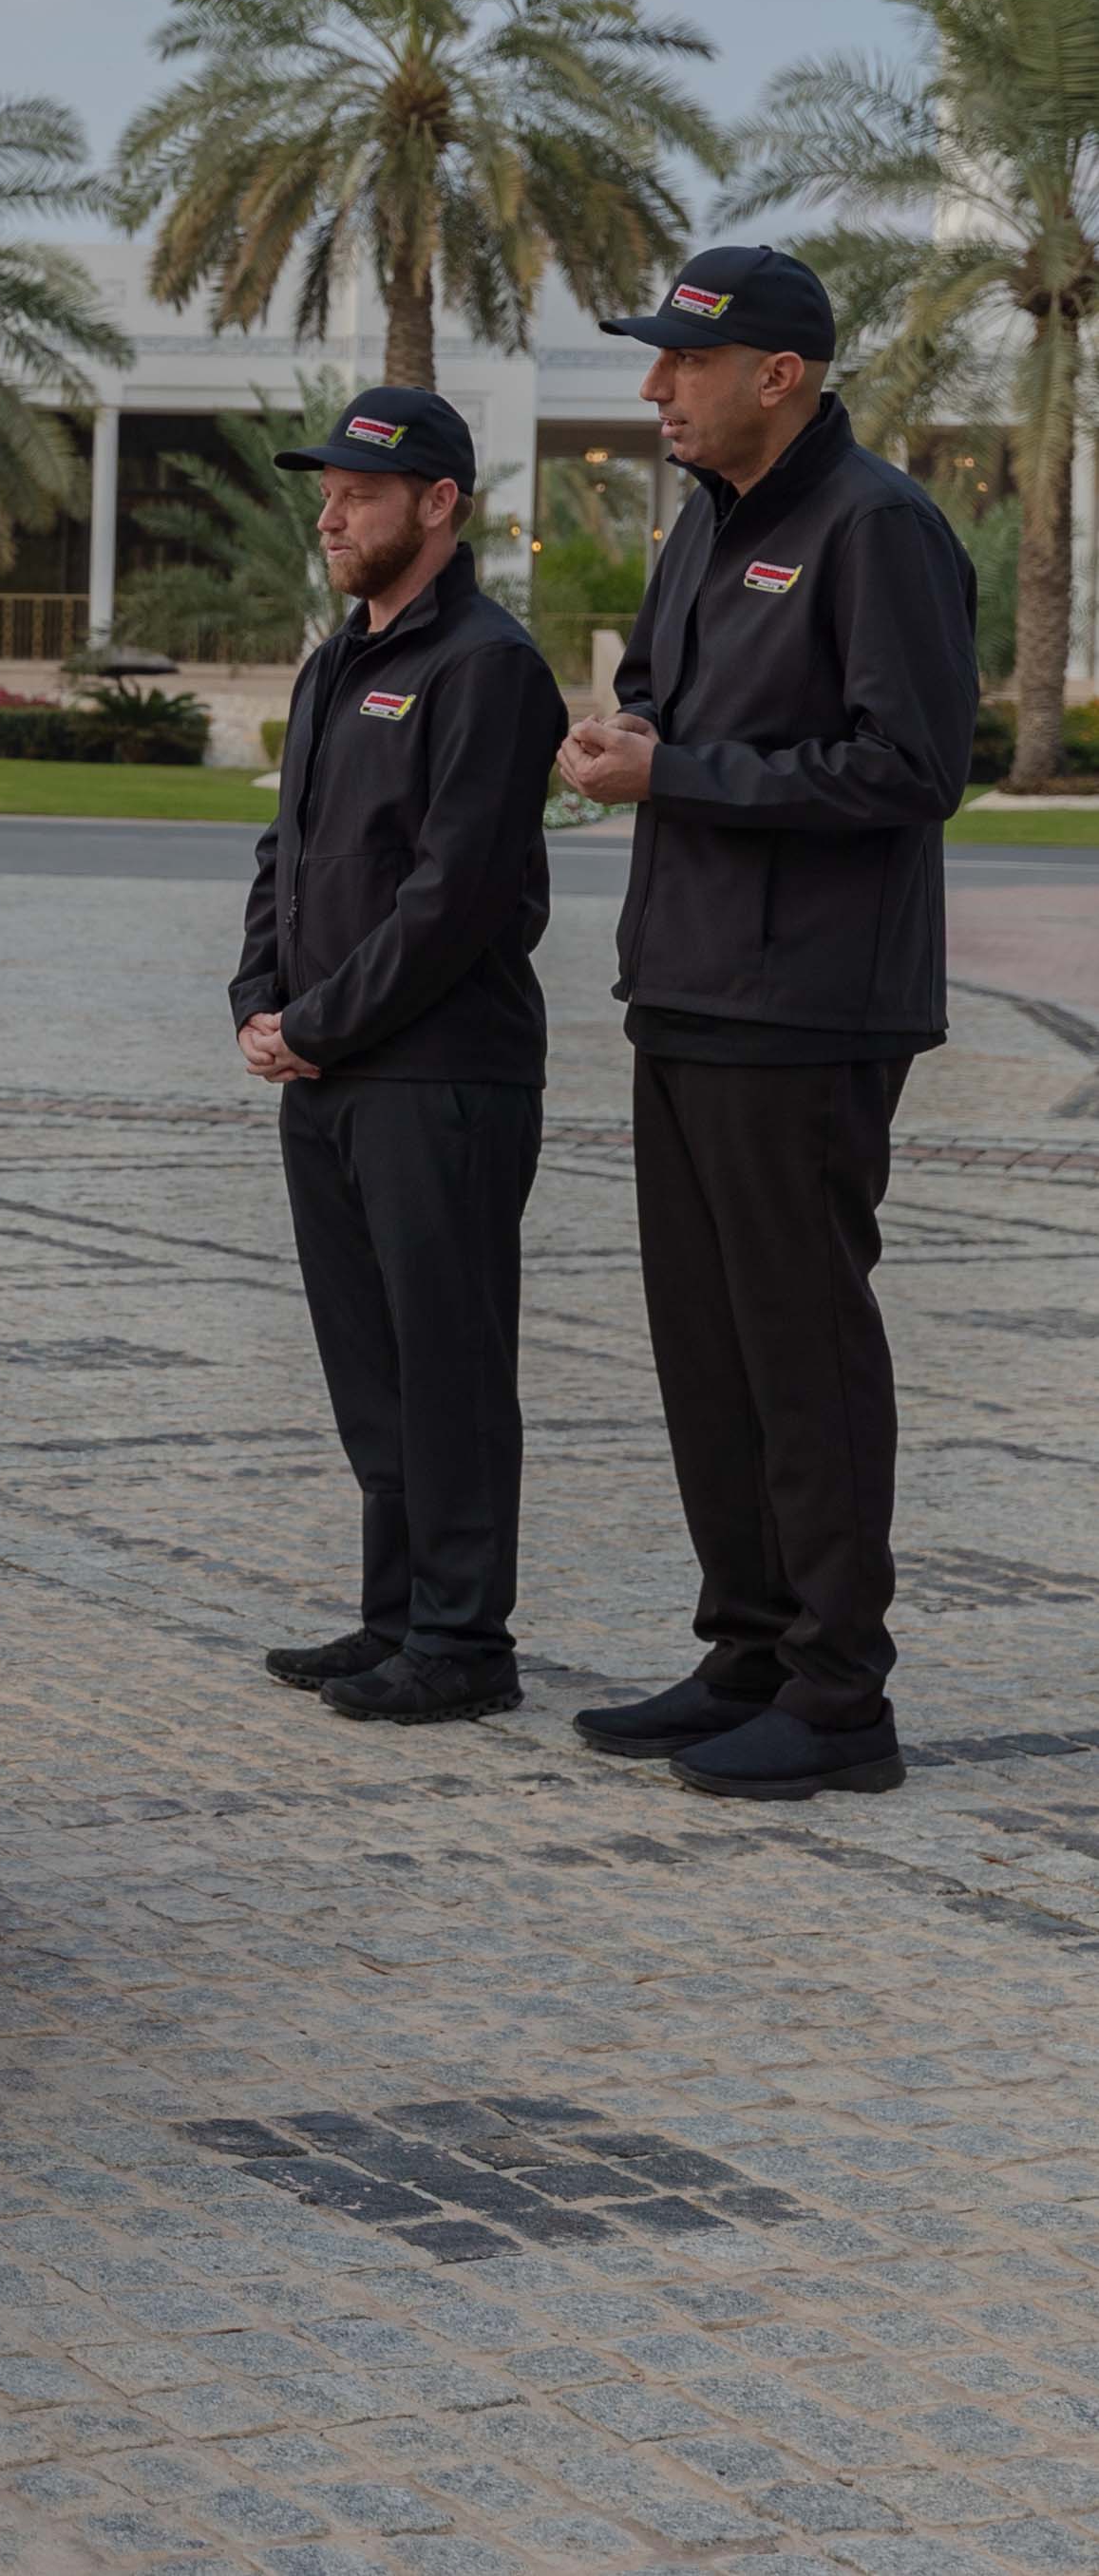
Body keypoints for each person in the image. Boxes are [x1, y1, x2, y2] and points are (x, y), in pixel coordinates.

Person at [557, 243, 977, 1803]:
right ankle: (745, 1649)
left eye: (683, 362)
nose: (656, 387)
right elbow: (664, 686)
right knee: (707, 1351)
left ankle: (839, 1698)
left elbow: (911, 767)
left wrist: (674, 775)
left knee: (802, 1351)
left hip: (809, 1005)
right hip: (684, 985)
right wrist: (634, 728)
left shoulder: (878, 527)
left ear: (778, 376)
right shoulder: (707, 529)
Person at [227, 388, 567, 1726]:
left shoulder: (487, 666)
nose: (329, 513)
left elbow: (454, 898)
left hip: (442, 1077)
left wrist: (314, 1023)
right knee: (371, 1362)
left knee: (449, 1362)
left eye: (357, 493)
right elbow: (286, 854)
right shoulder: (333, 664)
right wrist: (258, 995)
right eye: (326, 491)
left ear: (438, 504)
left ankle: (466, 1640)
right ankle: (395, 1617)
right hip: (330, 1074)